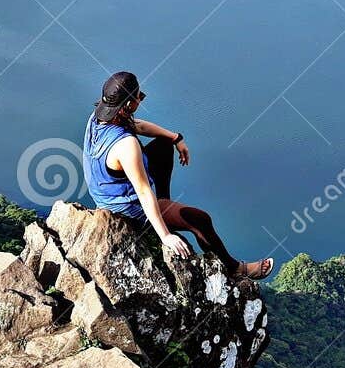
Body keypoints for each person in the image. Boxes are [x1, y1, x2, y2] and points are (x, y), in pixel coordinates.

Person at [82, 70, 274, 280]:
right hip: (126, 211)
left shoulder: (99, 119)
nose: (141, 99)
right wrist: (165, 236)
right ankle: (236, 269)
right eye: (139, 97)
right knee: (199, 219)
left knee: (163, 145)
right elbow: (144, 192)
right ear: (128, 105)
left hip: (105, 192)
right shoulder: (125, 146)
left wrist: (175, 138)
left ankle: (164, 202)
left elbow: (138, 126)